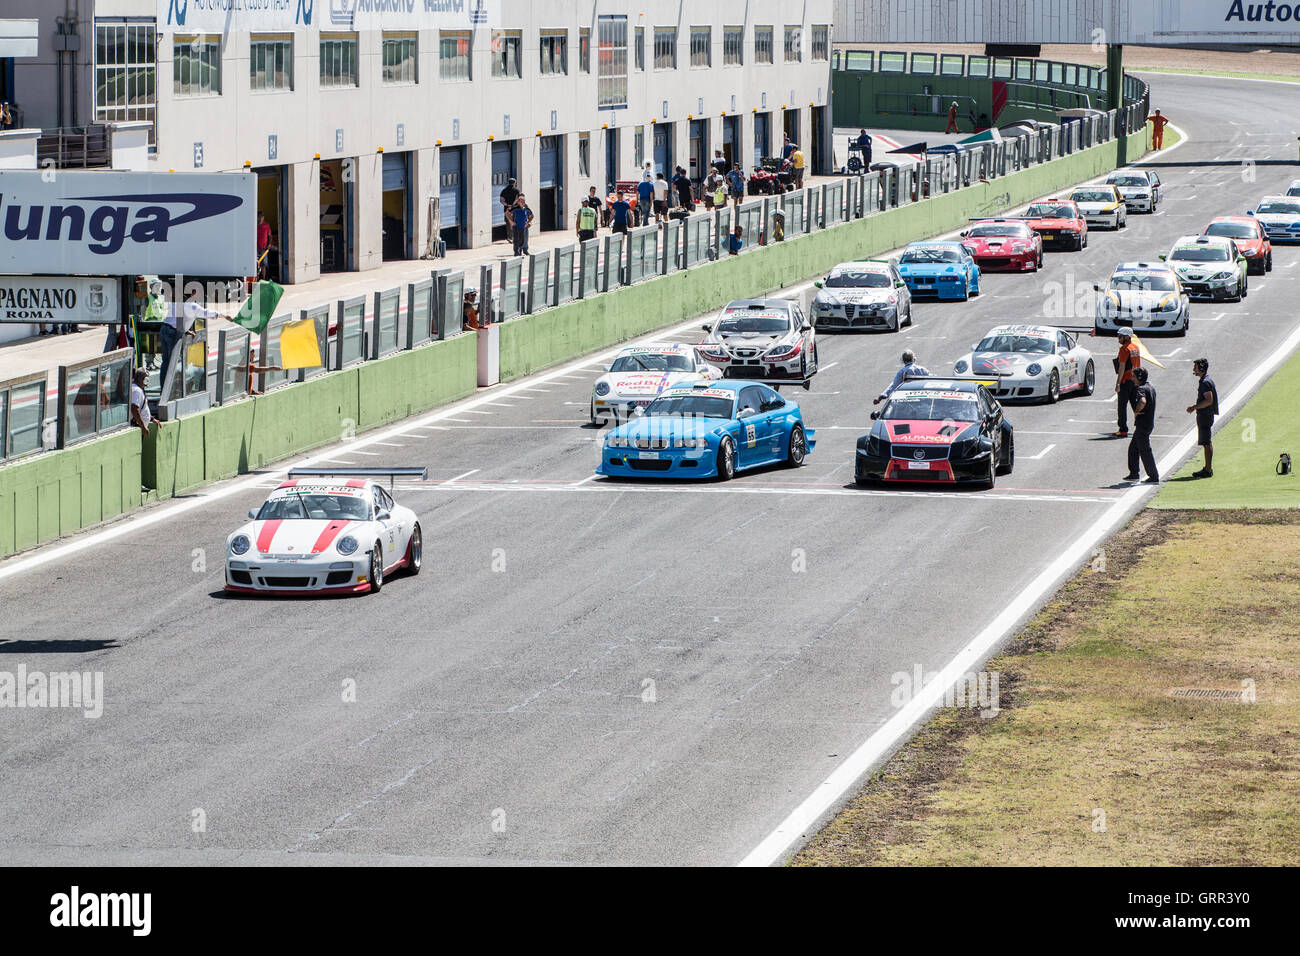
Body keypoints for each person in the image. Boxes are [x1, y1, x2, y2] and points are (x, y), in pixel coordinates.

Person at [1124, 367, 1159, 483]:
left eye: (1133, 376)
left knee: (1144, 450)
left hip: (1143, 424)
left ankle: (1153, 476)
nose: (1132, 379)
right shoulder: (1150, 387)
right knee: (1133, 448)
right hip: (1147, 424)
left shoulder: (1141, 389)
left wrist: (1137, 411)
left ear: (1139, 377)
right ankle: (1134, 473)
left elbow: (1142, 401)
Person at [1186, 357, 1219, 478]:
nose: (1194, 369)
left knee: (1206, 442)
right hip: (1205, 415)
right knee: (1206, 442)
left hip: (1205, 415)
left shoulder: (1205, 382)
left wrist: (1194, 407)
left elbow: (1209, 400)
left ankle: (1208, 469)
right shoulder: (1205, 380)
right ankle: (1207, 468)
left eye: (1195, 367)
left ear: (1201, 368)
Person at [1113, 328, 1141, 438]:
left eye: (1120, 336)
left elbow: (1122, 366)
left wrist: (1118, 383)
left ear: (1127, 337)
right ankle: (1140, 425)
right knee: (1135, 405)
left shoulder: (1124, 349)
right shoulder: (1135, 348)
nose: (1118, 338)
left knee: (1122, 406)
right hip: (1135, 381)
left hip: (1125, 380)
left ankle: (1123, 429)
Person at [129, 369, 156, 440]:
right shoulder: (137, 391)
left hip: (139, 426)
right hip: (137, 427)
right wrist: (143, 426)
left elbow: (142, 407)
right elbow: (134, 408)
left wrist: (151, 418)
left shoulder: (136, 389)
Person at [256, 211, 272, 279]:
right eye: (258, 217)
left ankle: (264, 278)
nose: (260, 219)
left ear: (263, 217)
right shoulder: (254, 225)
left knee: (264, 264)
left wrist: (269, 244)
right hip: (255, 248)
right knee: (256, 264)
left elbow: (270, 236)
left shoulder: (266, 225)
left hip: (263, 248)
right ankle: (256, 278)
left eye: (261, 217)